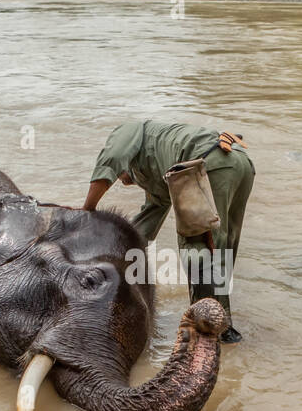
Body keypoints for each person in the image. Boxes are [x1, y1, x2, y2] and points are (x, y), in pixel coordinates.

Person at [82, 119, 253, 344]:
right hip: (240, 163)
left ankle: (206, 329)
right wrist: (118, 250)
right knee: (222, 245)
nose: (124, 181)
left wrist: (87, 209)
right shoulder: (157, 160)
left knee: (197, 244)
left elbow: (110, 161)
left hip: (206, 164)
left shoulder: (129, 130)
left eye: (125, 176)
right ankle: (222, 324)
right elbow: (151, 214)